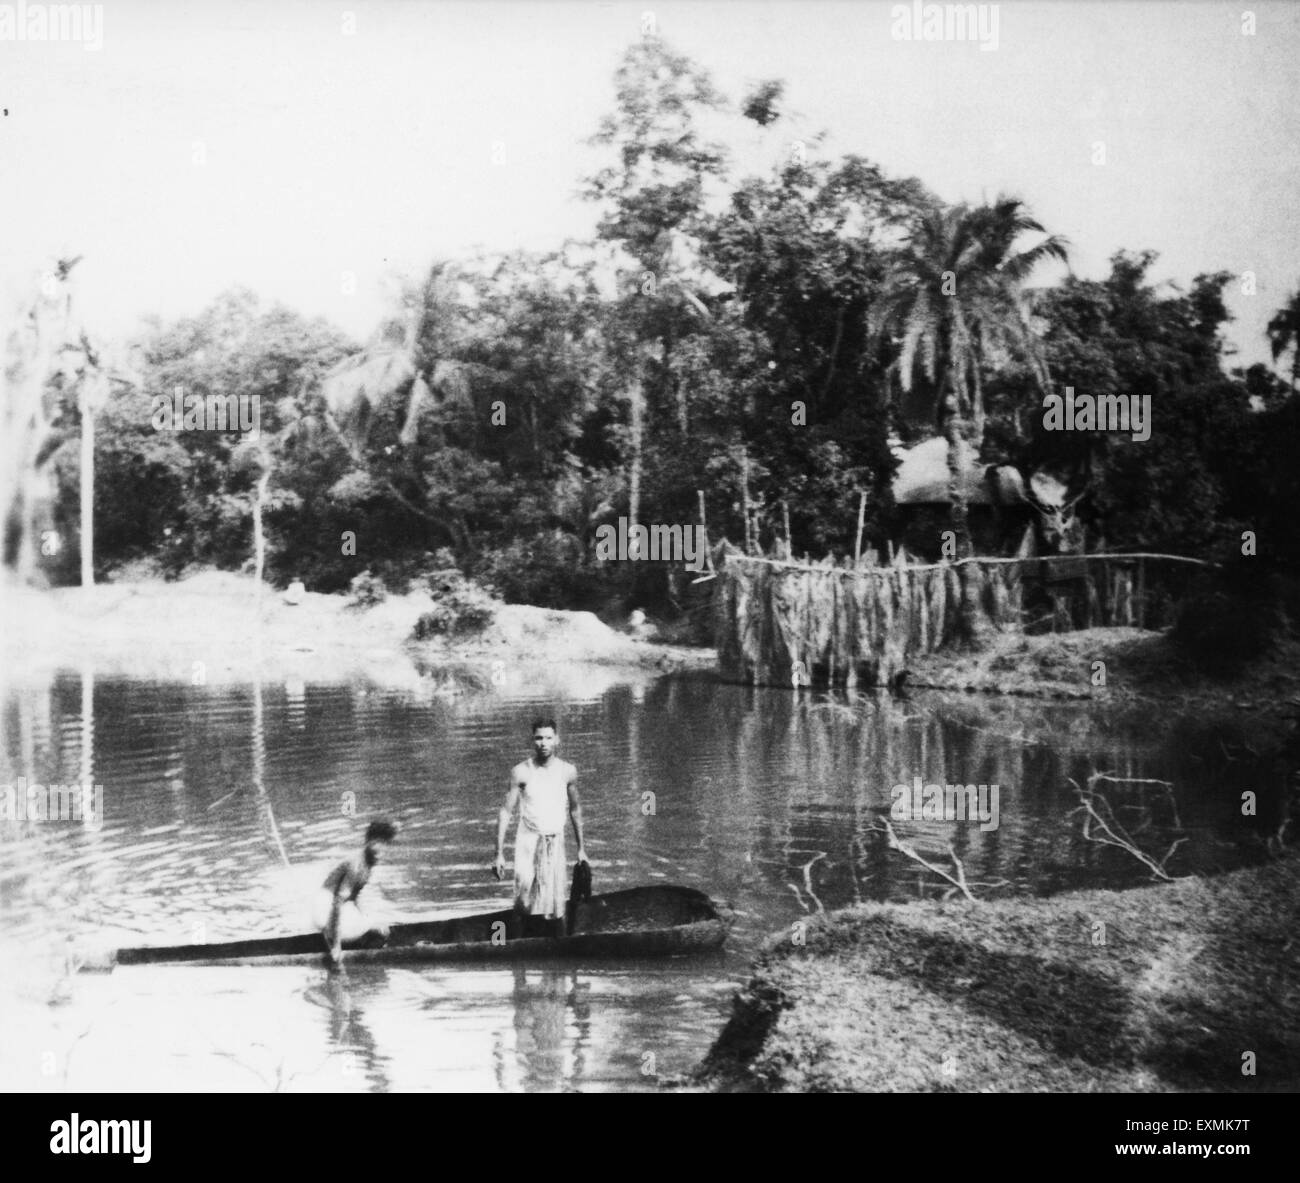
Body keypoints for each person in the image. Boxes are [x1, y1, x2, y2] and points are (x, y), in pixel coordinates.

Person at [493, 718, 587, 936]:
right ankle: (517, 953)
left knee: (557, 904)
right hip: (528, 840)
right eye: (538, 738)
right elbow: (506, 811)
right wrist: (498, 854)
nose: (543, 743)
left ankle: (560, 950)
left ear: (556, 740)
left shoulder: (567, 771)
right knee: (522, 899)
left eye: (548, 738)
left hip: (555, 840)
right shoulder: (521, 772)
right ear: (532, 740)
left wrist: (582, 849)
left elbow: (575, 809)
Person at [313, 819, 397, 966]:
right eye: (377, 842)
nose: (381, 849)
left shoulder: (369, 864)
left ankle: (355, 944)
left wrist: (364, 918)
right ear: (368, 841)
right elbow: (337, 902)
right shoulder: (356, 864)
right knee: (376, 929)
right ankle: (344, 943)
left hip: (334, 908)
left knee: (380, 928)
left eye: (385, 844)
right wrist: (336, 946)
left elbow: (354, 897)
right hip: (325, 909)